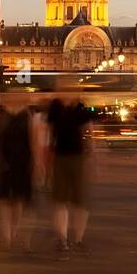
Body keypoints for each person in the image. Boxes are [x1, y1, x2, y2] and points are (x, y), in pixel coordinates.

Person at [48, 98, 93, 257]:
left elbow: (89, 131)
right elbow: (49, 132)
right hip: (60, 157)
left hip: (77, 157)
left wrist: (91, 157)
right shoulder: (55, 106)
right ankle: (63, 239)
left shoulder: (80, 107)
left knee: (79, 201)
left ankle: (77, 239)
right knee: (61, 200)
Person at [0, 106, 35, 252]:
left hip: (22, 163)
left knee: (18, 199)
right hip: (3, 163)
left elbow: (33, 140)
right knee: (4, 199)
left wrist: (36, 162)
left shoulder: (26, 115)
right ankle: (7, 234)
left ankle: (13, 231)